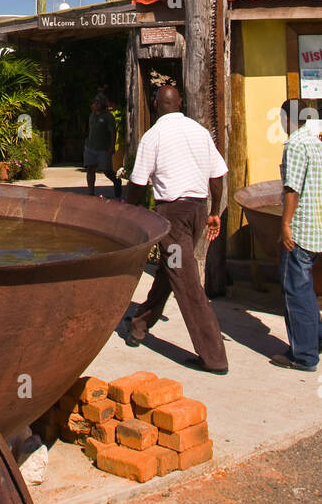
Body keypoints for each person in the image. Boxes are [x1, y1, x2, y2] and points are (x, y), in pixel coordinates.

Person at [124, 84, 229, 374]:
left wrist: (127, 211)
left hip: (171, 216)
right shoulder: (199, 132)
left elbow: (138, 183)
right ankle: (140, 325)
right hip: (196, 211)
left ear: (156, 104)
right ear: (180, 102)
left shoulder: (153, 136)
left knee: (188, 282)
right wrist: (213, 212)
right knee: (172, 271)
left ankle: (214, 357)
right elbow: (217, 174)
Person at [271, 99, 322, 371]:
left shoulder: (296, 145)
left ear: (286, 118)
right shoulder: (316, 143)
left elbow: (292, 189)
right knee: (304, 287)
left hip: (300, 231)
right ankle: (319, 335)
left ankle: (304, 356)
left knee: (295, 291)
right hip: (318, 229)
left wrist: (285, 224)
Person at [83, 93, 122, 199]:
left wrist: (112, 146)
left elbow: (112, 132)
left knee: (106, 170)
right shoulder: (92, 115)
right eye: (95, 102)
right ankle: (91, 192)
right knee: (90, 168)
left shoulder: (108, 116)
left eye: (98, 103)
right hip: (90, 146)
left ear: (103, 104)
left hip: (103, 148)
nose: (96, 104)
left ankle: (117, 182)